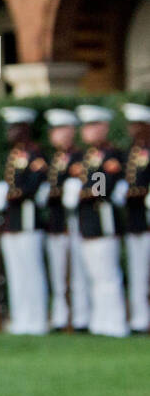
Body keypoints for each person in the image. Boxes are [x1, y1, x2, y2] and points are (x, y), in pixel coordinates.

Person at [66, 105, 128, 337]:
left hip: (103, 222)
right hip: (87, 221)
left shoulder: (110, 155)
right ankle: (101, 321)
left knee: (107, 275)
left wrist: (79, 192)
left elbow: (101, 189)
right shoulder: (90, 156)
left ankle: (115, 322)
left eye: (92, 125)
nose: (87, 130)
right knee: (94, 275)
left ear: (104, 127)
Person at [0, 107, 48, 334]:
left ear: (24, 128)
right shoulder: (14, 155)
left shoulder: (35, 154)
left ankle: (36, 319)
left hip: (28, 221)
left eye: (14, 127)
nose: (10, 132)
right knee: (17, 274)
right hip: (12, 222)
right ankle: (22, 319)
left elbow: (32, 186)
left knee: (31, 271)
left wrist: (10, 194)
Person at [42, 108, 89, 331]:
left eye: (59, 129)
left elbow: (98, 188)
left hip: (76, 223)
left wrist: (82, 192)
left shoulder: (81, 158)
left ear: (70, 131)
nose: (54, 134)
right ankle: (61, 317)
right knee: (59, 274)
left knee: (77, 273)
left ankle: (80, 318)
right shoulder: (55, 159)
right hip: (56, 223)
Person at [121, 102, 150, 333]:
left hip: (147, 218)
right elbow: (109, 184)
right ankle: (140, 320)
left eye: (137, 125)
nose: (132, 130)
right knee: (138, 272)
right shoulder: (130, 153)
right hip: (135, 220)